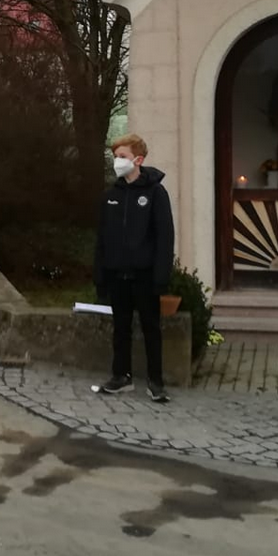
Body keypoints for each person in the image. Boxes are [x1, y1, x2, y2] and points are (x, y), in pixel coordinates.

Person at [94, 134, 175, 403]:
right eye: (115, 156)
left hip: (145, 275)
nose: (118, 161)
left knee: (151, 328)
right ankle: (121, 376)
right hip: (118, 275)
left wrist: (161, 277)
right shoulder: (111, 195)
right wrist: (101, 277)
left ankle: (156, 381)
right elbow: (102, 239)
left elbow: (165, 237)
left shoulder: (155, 193)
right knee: (121, 327)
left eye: (123, 156)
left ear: (138, 160)